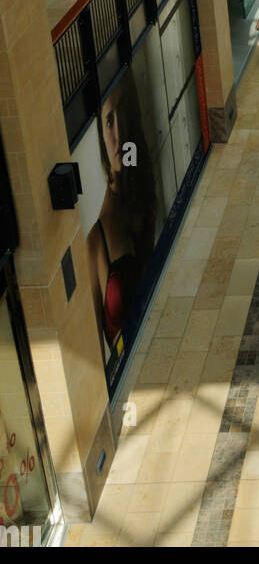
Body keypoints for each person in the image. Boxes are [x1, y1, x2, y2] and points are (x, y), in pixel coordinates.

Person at [86, 72, 156, 354]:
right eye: (109, 121)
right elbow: (94, 348)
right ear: (101, 136)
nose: (118, 135)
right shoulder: (95, 240)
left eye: (123, 115)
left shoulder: (145, 204)